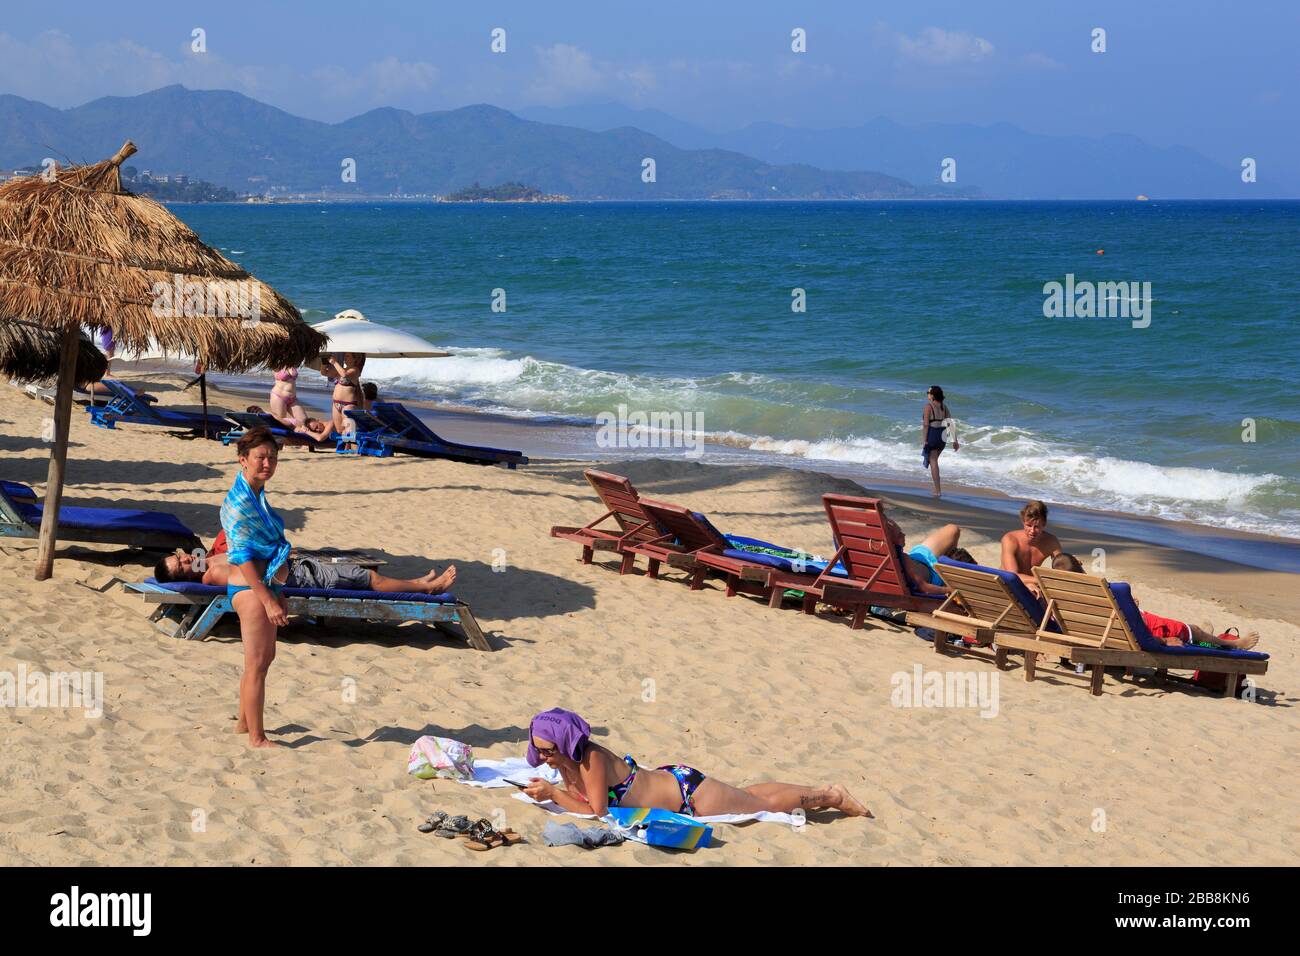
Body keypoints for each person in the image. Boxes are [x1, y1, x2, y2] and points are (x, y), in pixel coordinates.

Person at [520, 708, 871, 819]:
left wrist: (551, 793)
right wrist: (553, 788)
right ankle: (824, 793)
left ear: (566, 742)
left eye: (549, 749)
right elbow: (582, 802)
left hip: (686, 793)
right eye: (541, 750)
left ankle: (829, 797)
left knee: (759, 805)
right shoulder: (566, 762)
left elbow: (595, 810)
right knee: (748, 795)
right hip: (673, 784)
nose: (545, 756)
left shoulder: (590, 759)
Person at [220, 427, 291, 749]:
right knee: (257, 665)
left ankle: (243, 723)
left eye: (272, 457)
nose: (267, 463)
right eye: (260, 457)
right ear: (243, 460)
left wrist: (280, 593)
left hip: (262, 589)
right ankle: (257, 738)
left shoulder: (255, 496)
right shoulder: (238, 503)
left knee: (264, 659)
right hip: (250, 591)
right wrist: (268, 600)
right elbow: (242, 556)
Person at [1051, 553, 1259, 650]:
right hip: (1142, 628)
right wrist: (1162, 641)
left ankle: (1206, 637)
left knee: (1192, 633)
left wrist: (1127, 607)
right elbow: (1136, 635)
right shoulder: (1095, 589)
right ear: (1079, 570)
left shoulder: (1058, 592)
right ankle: (1233, 645)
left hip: (1113, 629)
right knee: (1192, 631)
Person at [154, 541, 457, 596]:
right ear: (186, 576)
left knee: (356, 568)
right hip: (299, 576)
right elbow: (254, 578)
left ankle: (418, 580)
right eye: (181, 567)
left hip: (296, 563)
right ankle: (427, 587)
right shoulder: (212, 574)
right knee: (369, 579)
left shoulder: (204, 560)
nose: (183, 560)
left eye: (177, 557)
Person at [884, 515, 963, 596]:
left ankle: (948, 564)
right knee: (953, 529)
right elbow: (924, 588)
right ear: (892, 543)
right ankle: (947, 575)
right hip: (932, 573)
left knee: (952, 529)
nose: (904, 535)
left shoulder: (881, 558)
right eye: (899, 534)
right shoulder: (904, 559)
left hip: (919, 559)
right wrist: (949, 590)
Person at [1001, 500, 1062, 597]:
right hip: (1007, 588)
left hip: (1033, 587)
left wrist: (1070, 562)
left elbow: (1062, 568)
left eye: (1036, 527)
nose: (1032, 531)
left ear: (1044, 524)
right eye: (1028, 525)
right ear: (1023, 522)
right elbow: (1012, 576)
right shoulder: (1011, 539)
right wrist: (1042, 581)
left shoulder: (1051, 541)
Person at [921, 385, 958, 497]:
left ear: (932, 395)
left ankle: (937, 491)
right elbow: (950, 423)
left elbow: (926, 425)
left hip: (933, 434)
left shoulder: (928, 407)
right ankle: (937, 489)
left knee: (933, 462)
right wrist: (955, 441)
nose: (927, 394)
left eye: (928, 392)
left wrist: (924, 440)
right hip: (942, 436)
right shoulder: (944, 407)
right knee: (935, 461)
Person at [323, 352, 365, 436]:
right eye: (345, 355)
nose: (345, 357)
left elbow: (344, 375)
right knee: (339, 430)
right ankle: (347, 445)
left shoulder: (355, 370)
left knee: (349, 430)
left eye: (348, 356)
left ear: (355, 358)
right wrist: (324, 363)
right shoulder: (341, 369)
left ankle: (348, 447)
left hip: (348, 404)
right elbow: (324, 373)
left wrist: (334, 362)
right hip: (336, 403)